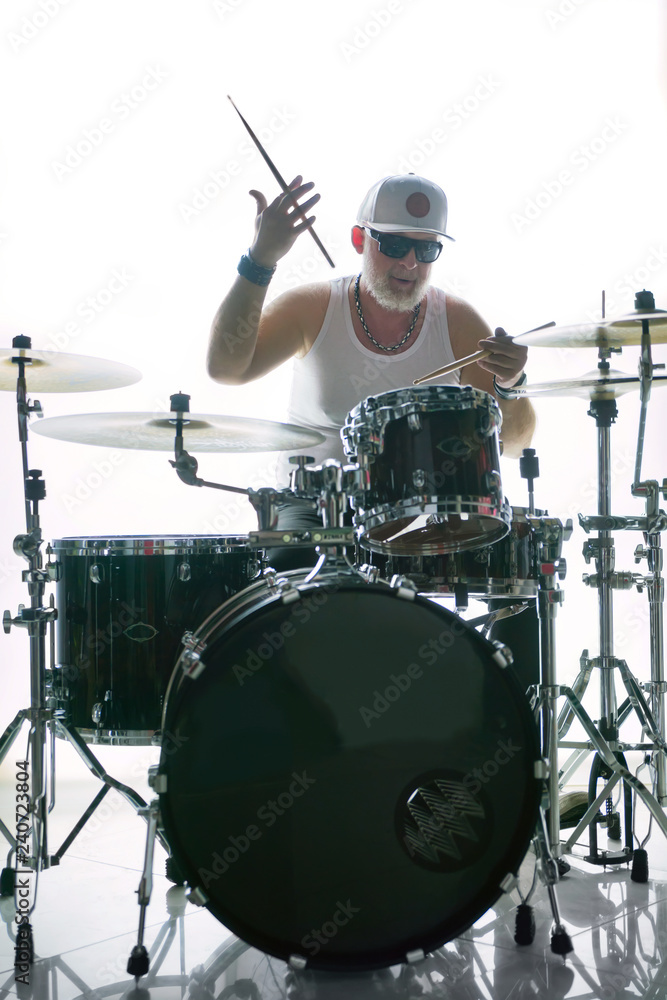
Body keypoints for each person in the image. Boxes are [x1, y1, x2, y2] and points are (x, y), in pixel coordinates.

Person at [207, 173, 535, 472]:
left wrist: (510, 384)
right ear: (359, 240)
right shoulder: (313, 309)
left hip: (417, 527)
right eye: (394, 244)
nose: (409, 262)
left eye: (426, 249)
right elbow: (225, 369)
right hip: (310, 518)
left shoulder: (459, 324)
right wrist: (260, 260)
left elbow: (516, 446)